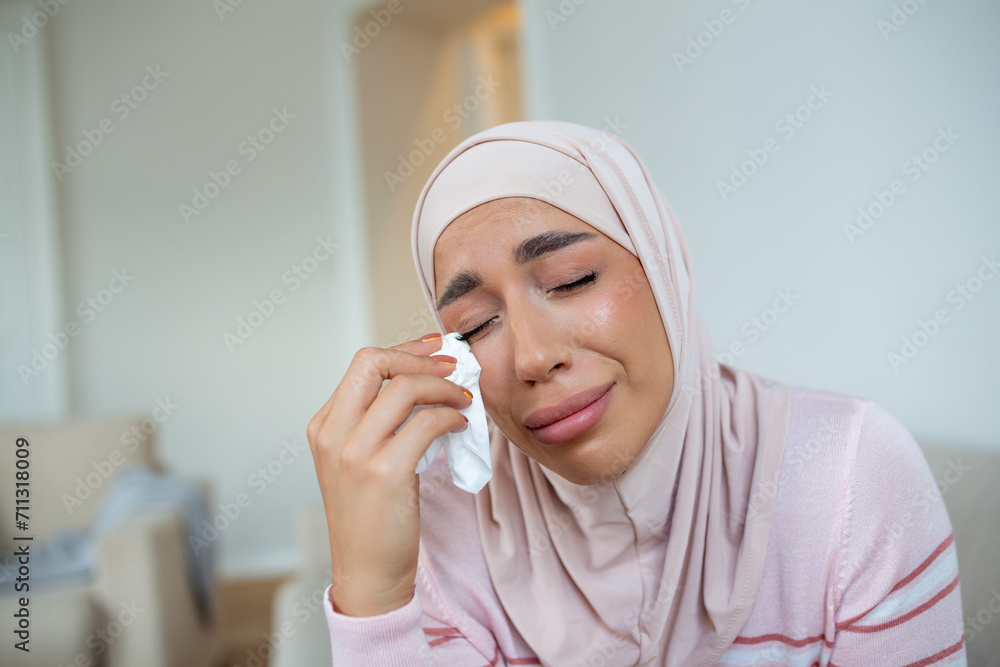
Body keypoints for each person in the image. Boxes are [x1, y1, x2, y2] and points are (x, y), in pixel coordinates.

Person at [306, 121, 966, 666]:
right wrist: (374, 597)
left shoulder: (851, 475)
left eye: (571, 278)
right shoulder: (445, 526)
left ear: (662, 264)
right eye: (475, 326)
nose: (534, 357)